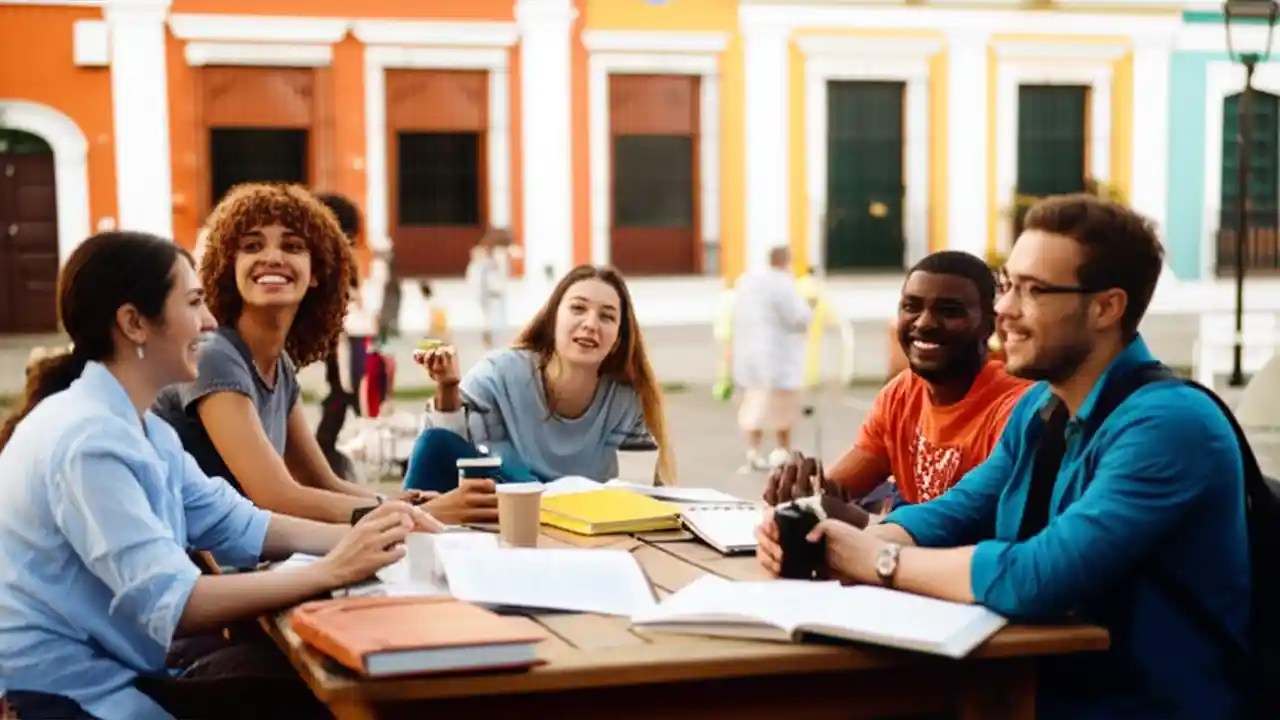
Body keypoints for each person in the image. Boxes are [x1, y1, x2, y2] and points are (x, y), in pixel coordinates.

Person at [756, 195, 1250, 718]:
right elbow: (958, 510)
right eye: (1008, 283)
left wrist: (876, 559)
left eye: (1033, 291)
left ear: (1106, 307)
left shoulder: (1168, 427)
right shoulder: (1043, 405)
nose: (1003, 309)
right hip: (1031, 686)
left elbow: (1037, 577)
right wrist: (827, 540)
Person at [0, 231, 439, 720]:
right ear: (133, 324)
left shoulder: (142, 429)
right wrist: (333, 568)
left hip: (122, 670)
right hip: (70, 697)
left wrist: (376, 534)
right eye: (193, 302)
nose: (209, 321)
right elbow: (176, 601)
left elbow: (240, 524)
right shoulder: (90, 441)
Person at [152, 183, 493, 527]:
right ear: (229, 267)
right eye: (252, 246)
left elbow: (321, 482)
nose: (272, 257)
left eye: (293, 246)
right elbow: (276, 496)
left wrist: (403, 501)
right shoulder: (215, 355)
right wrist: (419, 515)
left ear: (316, 272)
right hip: (200, 565)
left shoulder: (279, 365)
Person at [765, 251, 1031, 527]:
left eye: (949, 311)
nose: (924, 322)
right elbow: (839, 488)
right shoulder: (901, 395)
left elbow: (980, 537)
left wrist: (862, 523)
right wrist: (801, 488)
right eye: (911, 307)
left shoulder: (1018, 407)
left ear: (989, 324)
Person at [403, 264, 673, 492]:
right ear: (553, 319)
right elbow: (445, 450)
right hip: (504, 510)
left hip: (581, 529)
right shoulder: (500, 374)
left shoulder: (624, 403)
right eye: (578, 309)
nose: (591, 324)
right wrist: (448, 388)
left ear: (617, 339)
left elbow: (639, 490)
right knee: (433, 441)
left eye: (607, 316)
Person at [731, 246, 813, 472]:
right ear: (786, 261)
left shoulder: (748, 282)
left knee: (754, 403)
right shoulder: (783, 284)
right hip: (779, 357)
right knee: (781, 408)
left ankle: (753, 450)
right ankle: (782, 449)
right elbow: (799, 316)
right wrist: (811, 308)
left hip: (751, 355)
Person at [314, 191, 363, 480]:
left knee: (343, 391)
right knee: (342, 391)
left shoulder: (340, 262)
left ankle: (326, 456)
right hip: (341, 337)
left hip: (344, 337)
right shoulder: (333, 262)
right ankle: (325, 455)